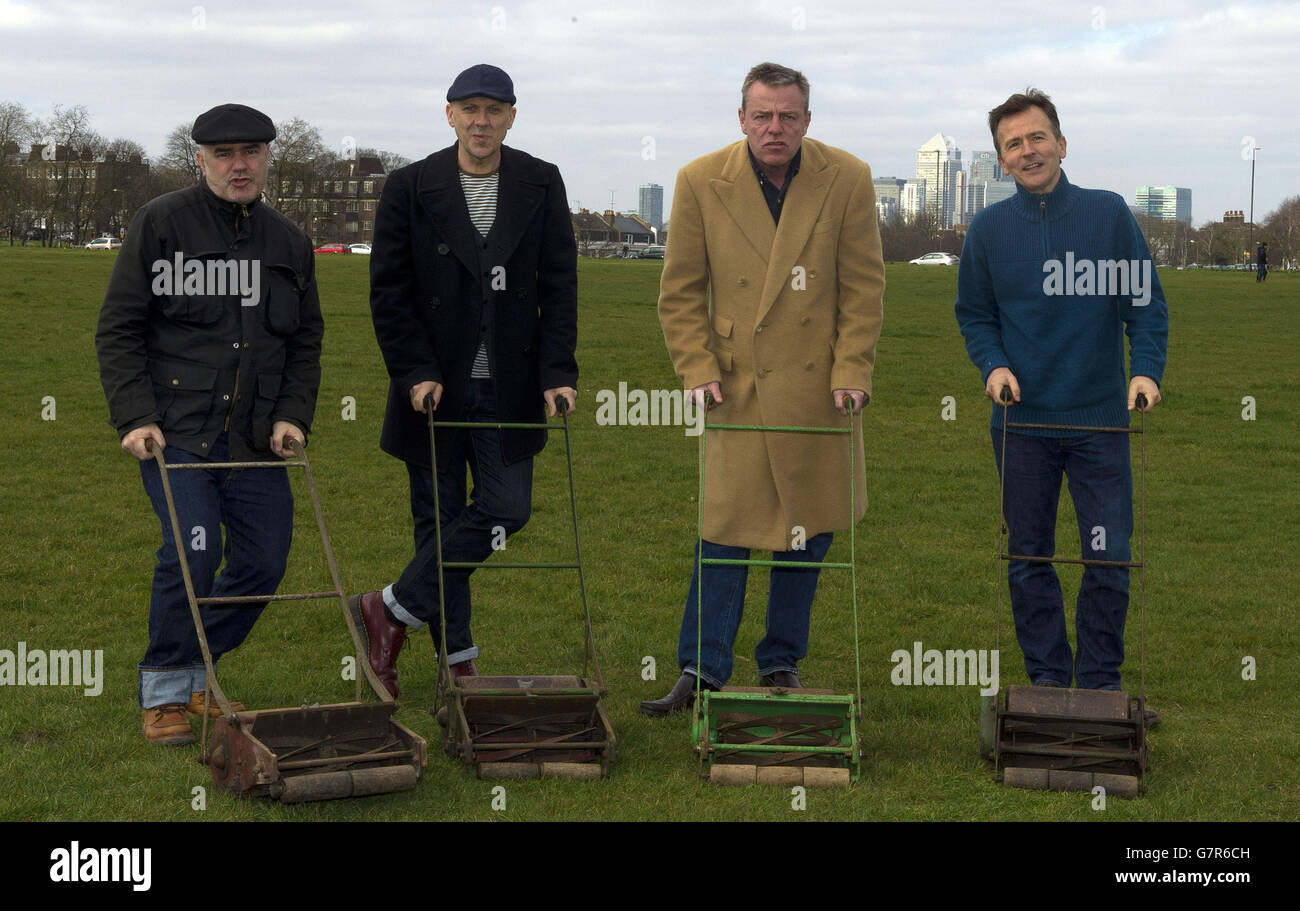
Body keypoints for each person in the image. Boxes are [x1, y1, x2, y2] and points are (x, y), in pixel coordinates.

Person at [641, 62, 884, 716]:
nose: (775, 128)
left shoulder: (849, 177)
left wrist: (853, 370)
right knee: (724, 528)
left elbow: (863, 288)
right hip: (735, 385)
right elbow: (680, 291)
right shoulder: (699, 180)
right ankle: (701, 670)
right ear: (742, 118)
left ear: (807, 120)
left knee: (808, 531)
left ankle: (781, 663)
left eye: (788, 116)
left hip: (818, 386)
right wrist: (696, 367)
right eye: (762, 116)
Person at [95, 103, 323, 744]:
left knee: (263, 564)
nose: (239, 165)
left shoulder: (289, 242)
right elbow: (119, 327)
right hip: (177, 432)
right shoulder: (160, 223)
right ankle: (166, 693)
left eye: (251, 152)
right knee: (194, 553)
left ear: (269, 157)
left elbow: (305, 342)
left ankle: (196, 672)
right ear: (200, 159)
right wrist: (135, 415)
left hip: (255, 435)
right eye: (224, 154)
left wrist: (292, 414)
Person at [352, 64, 578, 699]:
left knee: (507, 508)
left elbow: (560, 285)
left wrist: (557, 372)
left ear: (512, 117)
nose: (482, 121)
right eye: (470, 109)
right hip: (435, 389)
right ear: (449, 114)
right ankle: (457, 661)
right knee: (440, 522)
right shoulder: (409, 186)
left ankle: (387, 608)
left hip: (510, 385)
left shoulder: (540, 181)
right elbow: (389, 293)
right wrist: (415, 372)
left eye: (494, 110)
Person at [954, 88, 1168, 707]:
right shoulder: (988, 230)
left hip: (1100, 425)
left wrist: (1145, 371)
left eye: (1037, 137)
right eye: (1013, 144)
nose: (1028, 151)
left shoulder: (1108, 214)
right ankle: (1048, 682)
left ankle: (1100, 687)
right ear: (1001, 161)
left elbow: (1145, 305)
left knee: (1109, 558)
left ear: (1061, 144)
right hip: (1021, 427)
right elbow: (975, 315)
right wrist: (993, 365)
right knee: (1029, 557)